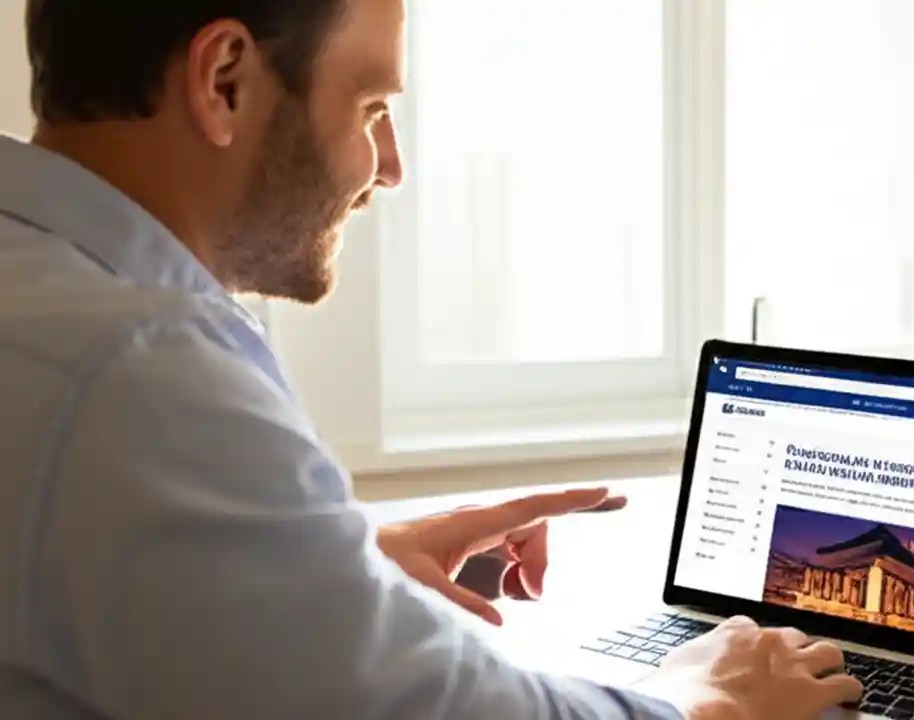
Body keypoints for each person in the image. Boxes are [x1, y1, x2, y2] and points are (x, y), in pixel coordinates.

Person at [0, 1, 865, 718]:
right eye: (371, 107)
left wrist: (328, 577)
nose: (390, 167)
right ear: (224, 79)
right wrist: (700, 700)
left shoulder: (44, 295)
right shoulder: (141, 368)